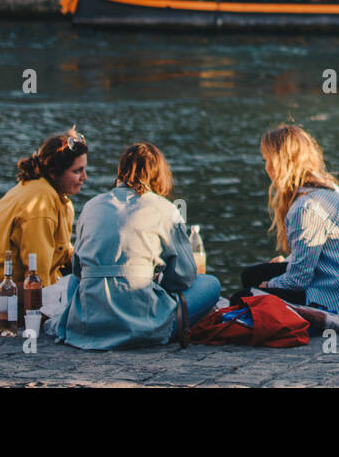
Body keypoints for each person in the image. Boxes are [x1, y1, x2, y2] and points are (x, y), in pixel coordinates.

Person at [55, 142, 221, 349]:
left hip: (90, 322)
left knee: (74, 280)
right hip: (143, 325)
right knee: (211, 284)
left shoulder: (91, 206)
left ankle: (75, 320)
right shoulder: (166, 209)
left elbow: (79, 270)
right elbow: (183, 277)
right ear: (158, 174)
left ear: (121, 172)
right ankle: (150, 326)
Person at [235, 124, 339, 320]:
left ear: (277, 163)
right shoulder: (327, 190)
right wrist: (287, 264)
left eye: (266, 160)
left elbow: (298, 280)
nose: (265, 167)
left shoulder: (306, 207)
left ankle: (315, 311)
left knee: (242, 298)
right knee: (251, 276)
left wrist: (268, 286)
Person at [0, 126, 89, 290]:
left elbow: (61, 252)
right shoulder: (41, 204)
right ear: (54, 172)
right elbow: (38, 272)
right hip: (0, 292)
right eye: (77, 171)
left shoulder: (52, 195)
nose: (84, 177)